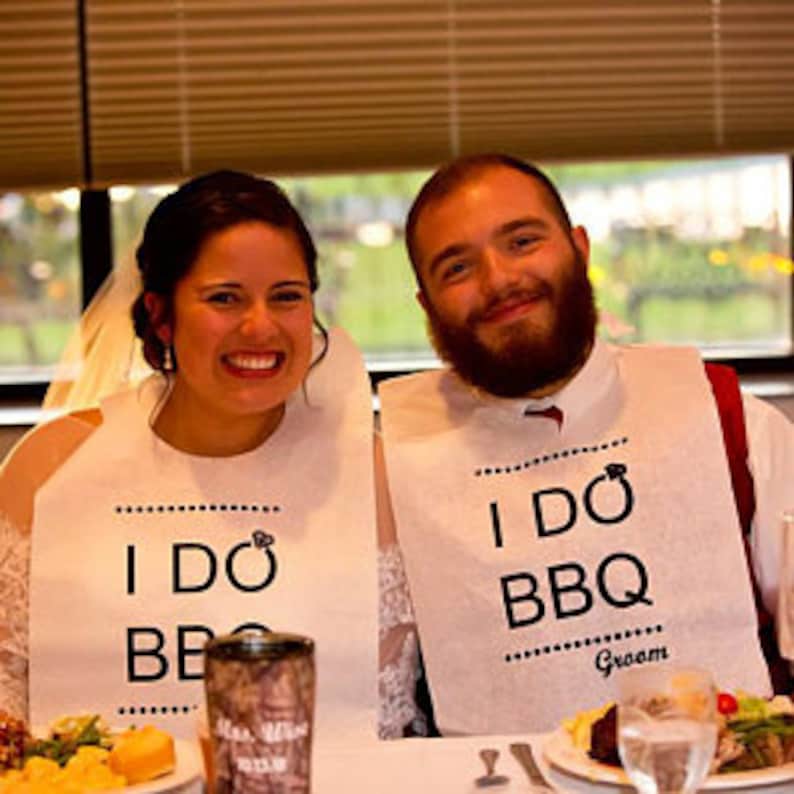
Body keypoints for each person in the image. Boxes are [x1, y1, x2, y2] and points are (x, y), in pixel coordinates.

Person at [377, 153, 794, 734]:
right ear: (426, 305)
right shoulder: (394, 470)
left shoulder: (732, 421)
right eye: (457, 268)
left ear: (579, 247)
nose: (499, 280)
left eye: (522, 241)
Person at [0, 170, 422, 741]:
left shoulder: (372, 472)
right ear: (160, 314)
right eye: (225, 298)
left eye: (287, 297)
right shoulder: (50, 468)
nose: (260, 326)